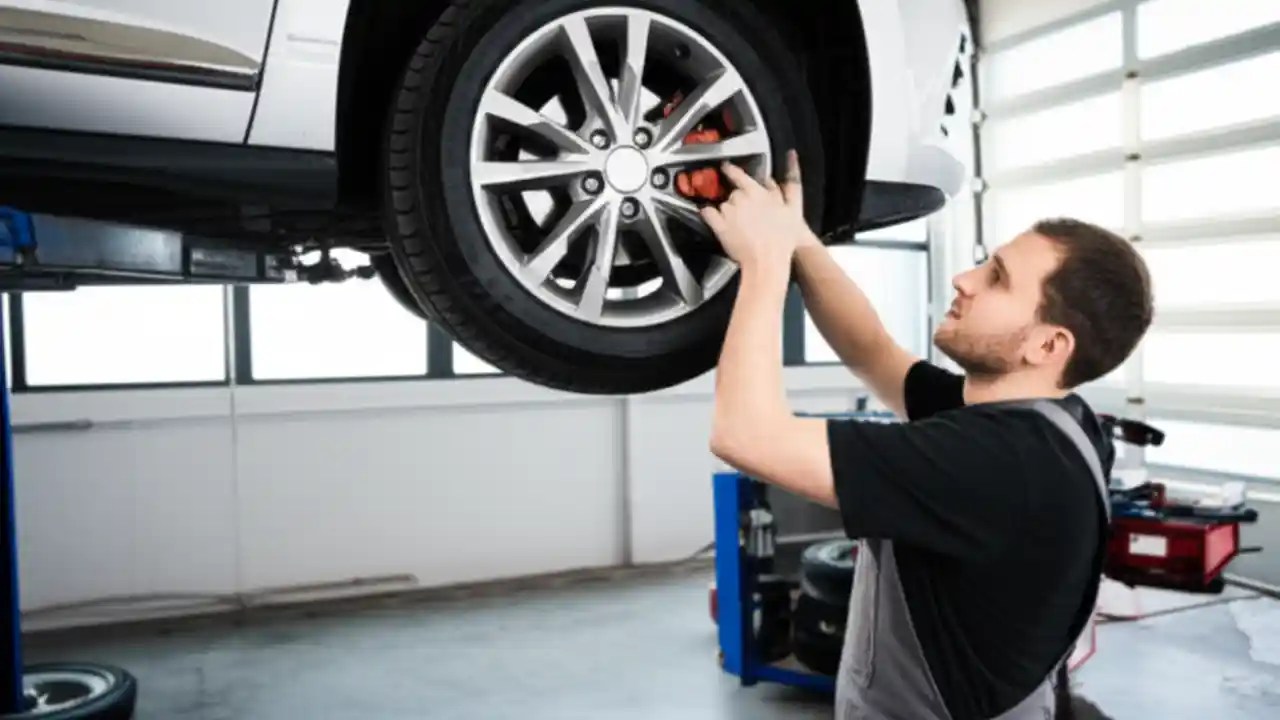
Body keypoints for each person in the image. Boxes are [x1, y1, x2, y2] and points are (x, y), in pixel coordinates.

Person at [700, 151, 1153, 720]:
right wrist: (798, 242)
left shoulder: (998, 463)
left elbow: (746, 435)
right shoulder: (1051, 419)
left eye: (996, 280)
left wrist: (764, 266)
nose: (965, 280)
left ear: (1046, 346)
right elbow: (873, 352)